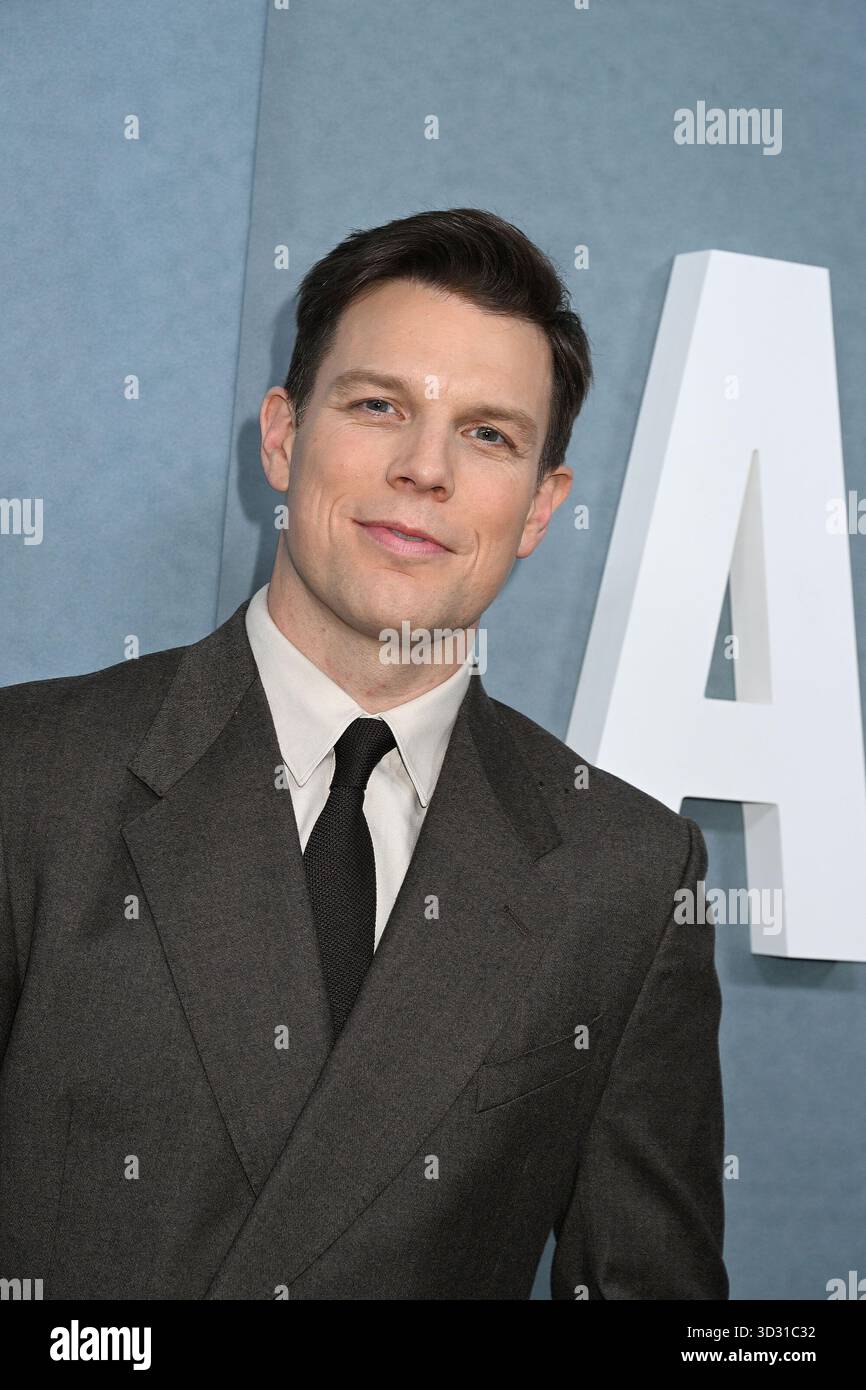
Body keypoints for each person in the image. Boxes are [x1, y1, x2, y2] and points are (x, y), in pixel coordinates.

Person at [0, 207, 728, 1300]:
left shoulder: (621, 873)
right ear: (283, 436)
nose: (423, 468)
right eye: (379, 404)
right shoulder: (32, 775)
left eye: (486, 434)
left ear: (538, 508)